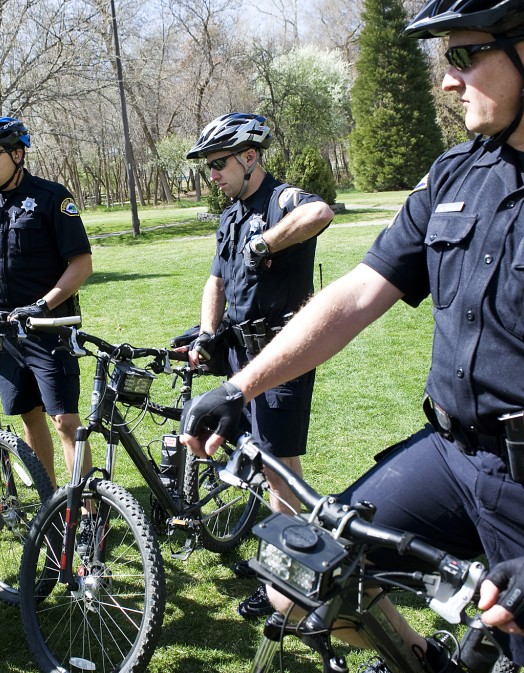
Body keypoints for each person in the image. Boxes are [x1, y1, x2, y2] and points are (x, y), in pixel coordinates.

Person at [181, 1, 524, 671]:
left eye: (462, 55)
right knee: (299, 580)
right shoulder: (458, 174)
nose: (447, 80)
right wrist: (242, 385)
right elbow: (356, 293)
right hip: (454, 458)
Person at [181, 113, 334, 619]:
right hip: (239, 352)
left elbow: (320, 213)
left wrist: (266, 242)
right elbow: (216, 281)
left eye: (219, 164)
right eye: (208, 166)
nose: (212, 175)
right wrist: (207, 332)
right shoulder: (230, 215)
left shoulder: (282, 199)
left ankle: (286, 583)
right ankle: (278, 551)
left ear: (250, 157)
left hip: (282, 351)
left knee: (279, 468)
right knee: (255, 457)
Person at [0, 116, 93, 488]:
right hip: (3, 331)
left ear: (18, 154)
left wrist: (43, 304)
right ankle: (50, 501)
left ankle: (87, 510)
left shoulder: (52, 197)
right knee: (29, 416)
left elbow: (81, 264)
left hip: (48, 327)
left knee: (65, 421)